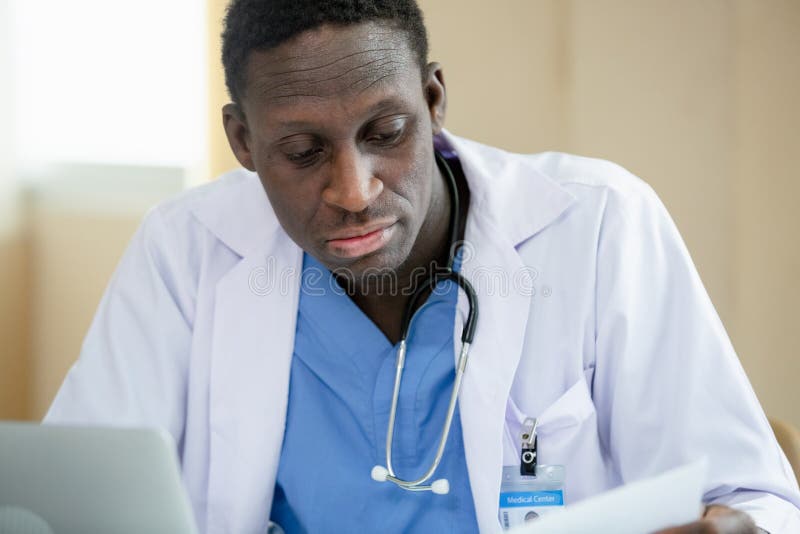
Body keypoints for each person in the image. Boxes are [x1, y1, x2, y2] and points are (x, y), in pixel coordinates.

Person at [45, 1, 800, 533]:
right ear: (242, 142)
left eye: (386, 131)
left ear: (433, 100)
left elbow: (754, 500)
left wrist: (739, 527)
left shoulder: (600, 226)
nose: (353, 191)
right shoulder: (184, 251)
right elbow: (67, 506)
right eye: (303, 152)